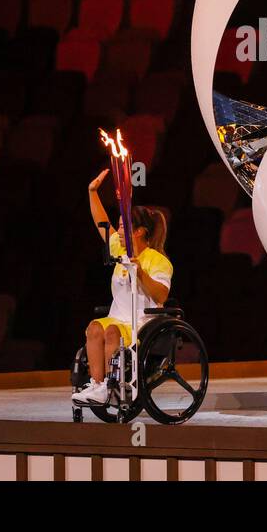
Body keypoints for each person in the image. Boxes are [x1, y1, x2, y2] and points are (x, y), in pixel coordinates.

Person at [73, 168, 173, 405]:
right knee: (95, 327)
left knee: (111, 332)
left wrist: (140, 272)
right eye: (118, 226)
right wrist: (93, 191)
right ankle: (98, 386)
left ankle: (112, 386)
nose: (117, 232)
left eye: (122, 227)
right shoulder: (120, 250)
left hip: (140, 323)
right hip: (117, 318)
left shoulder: (159, 261)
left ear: (138, 232)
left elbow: (161, 295)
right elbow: (101, 224)